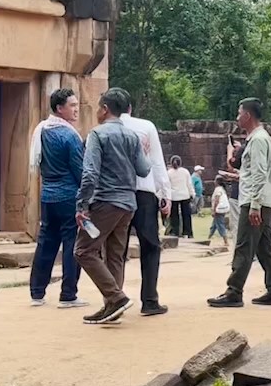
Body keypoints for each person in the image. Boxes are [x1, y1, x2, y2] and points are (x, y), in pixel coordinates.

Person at [74, 88, 150, 325]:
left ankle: (115, 297)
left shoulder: (98, 134)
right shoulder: (131, 136)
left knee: (83, 250)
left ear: (105, 109)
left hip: (105, 201)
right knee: (114, 255)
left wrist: (81, 204)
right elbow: (144, 170)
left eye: (98, 107)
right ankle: (112, 304)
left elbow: (90, 173)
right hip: (128, 203)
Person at [208, 98, 271, 308]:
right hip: (262, 200)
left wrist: (254, 204)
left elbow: (260, 174)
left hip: (255, 201)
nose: (237, 117)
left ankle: (234, 291)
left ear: (248, 115)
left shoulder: (259, 139)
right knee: (263, 246)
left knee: (243, 245)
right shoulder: (258, 138)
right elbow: (255, 173)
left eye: (239, 112)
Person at [27, 87, 87, 308]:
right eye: (72, 106)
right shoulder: (69, 135)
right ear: (59, 108)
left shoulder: (42, 130)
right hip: (68, 196)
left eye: (76, 105)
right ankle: (68, 294)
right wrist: (88, 198)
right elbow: (80, 171)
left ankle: (36, 292)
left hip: (47, 195)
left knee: (46, 243)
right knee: (72, 244)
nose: (76, 110)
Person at [119, 97, 171, 317]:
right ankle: (149, 300)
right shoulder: (146, 126)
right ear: (130, 107)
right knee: (150, 246)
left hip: (116, 193)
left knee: (115, 249)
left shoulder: (101, 131)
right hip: (144, 192)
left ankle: (114, 298)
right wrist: (165, 193)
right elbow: (157, 162)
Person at [167, 156, 196, 238]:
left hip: (174, 196)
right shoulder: (185, 172)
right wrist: (192, 194)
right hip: (185, 195)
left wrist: (166, 196)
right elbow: (189, 184)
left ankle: (175, 232)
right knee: (186, 215)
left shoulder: (169, 173)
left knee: (174, 216)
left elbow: (167, 185)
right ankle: (188, 232)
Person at [208, 179, 231, 248]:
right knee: (214, 224)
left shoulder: (218, 189)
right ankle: (208, 237)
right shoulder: (222, 189)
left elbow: (217, 200)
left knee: (220, 224)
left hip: (219, 209)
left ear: (217, 182)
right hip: (223, 208)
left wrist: (214, 210)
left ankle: (226, 241)